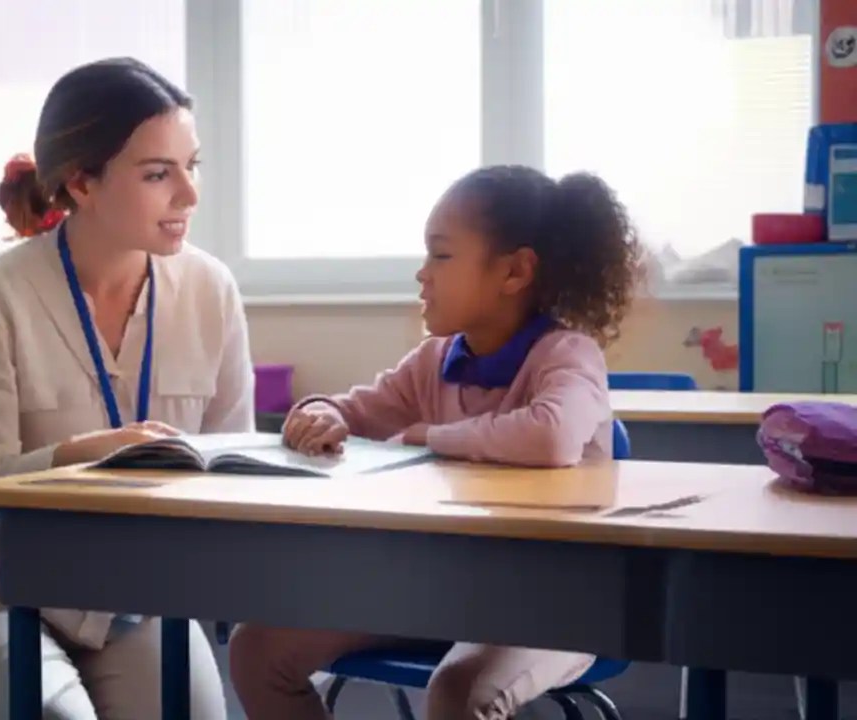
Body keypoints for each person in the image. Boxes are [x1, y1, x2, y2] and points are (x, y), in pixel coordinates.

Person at [0, 57, 254, 719]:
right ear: (81, 182)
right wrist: (84, 456)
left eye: (191, 166)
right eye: (157, 174)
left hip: (128, 600)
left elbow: (233, 464)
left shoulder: (211, 288)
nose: (189, 195)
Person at [230, 165, 642, 719]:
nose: (422, 274)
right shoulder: (435, 360)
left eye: (441, 255)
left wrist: (430, 437)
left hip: (557, 604)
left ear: (515, 271)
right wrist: (319, 413)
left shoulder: (567, 354)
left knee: (458, 691)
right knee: (257, 649)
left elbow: (553, 437)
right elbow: (354, 410)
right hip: (446, 593)